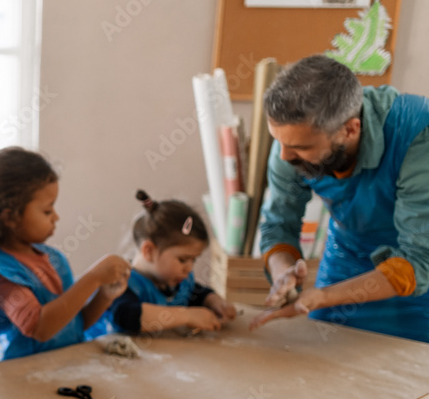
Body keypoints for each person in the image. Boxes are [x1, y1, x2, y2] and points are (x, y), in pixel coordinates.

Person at [251, 55, 429, 342]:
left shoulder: (419, 134)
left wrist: (322, 297)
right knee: (322, 359)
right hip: (347, 258)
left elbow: (420, 259)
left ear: (350, 129)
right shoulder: (291, 143)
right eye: (279, 141)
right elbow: (278, 226)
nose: (284, 156)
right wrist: (284, 274)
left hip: (422, 277)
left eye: (300, 147)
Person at [0, 147, 131, 375]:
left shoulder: (53, 259)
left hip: (53, 374)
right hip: (9, 386)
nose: (56, 217)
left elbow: (72, 325)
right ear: (9, 217)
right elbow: (40, 327)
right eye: (47, 211)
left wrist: (105, 295)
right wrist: (93, 278)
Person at [91, 190, 237, 336]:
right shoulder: (122, 282)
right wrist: (187, 315)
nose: (189, 268)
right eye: (183, 259)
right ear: (149, 251)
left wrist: (214, 301)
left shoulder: (176, 281)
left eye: (194, 259)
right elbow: (127, 316)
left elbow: (194, 293)